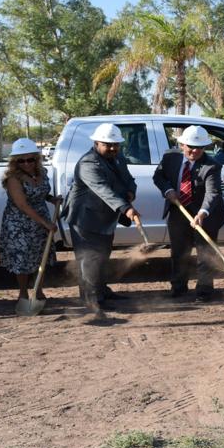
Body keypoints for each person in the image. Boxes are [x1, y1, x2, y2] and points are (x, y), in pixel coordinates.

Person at [63, 122, 139, 319]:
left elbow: (128, 179)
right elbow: (103, 190)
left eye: (116, 144)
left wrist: (130, 192)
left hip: (105, 217)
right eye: (108, 144)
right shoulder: (88, 163)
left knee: (103, 256)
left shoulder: (118, 158)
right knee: (88, 259)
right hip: (85, 218)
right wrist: (126, 208)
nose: (113, 148)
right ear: (97, 143)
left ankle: (102, 292)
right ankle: (90, 299)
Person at [151, 125, 224, 300]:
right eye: (191, 147)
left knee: (205, 252)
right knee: (179, 251)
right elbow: (158, 177)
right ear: (182, 145)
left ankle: (205, 291)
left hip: (207, 214)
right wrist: (167, 190)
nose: (194, 151)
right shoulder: (170, 158)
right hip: (179, 210)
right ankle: (178, 288)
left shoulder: (212, 165)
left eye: (199, 147)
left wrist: (202, 213)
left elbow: (212, 193)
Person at [0, 137, 59, 301]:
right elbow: (23, 205)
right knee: (23, 259)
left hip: (40, 220)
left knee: (41, 255)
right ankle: (23, 293)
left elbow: (41, 192)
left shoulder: (43, 173)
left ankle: (38, 290)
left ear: (36, 158)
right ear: (15, 162)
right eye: (21, 161)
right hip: (19, 223)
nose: (26, 163)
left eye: (30, 159)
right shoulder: (13, 179)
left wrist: (51, 199)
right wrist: (45, 223)